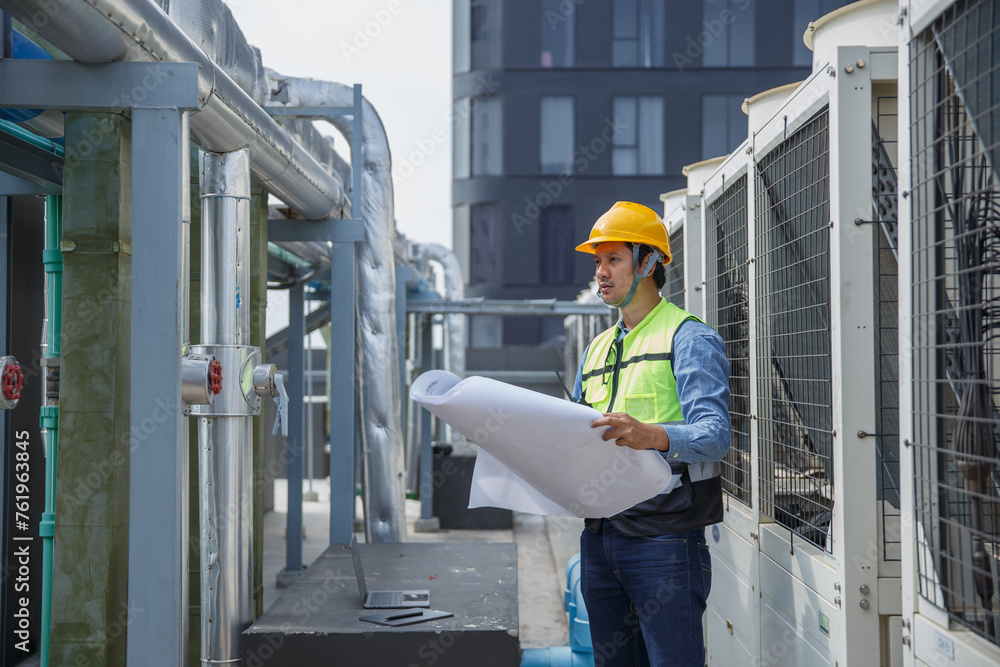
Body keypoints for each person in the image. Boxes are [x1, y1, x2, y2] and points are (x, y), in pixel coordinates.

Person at [571, 201, 731, 667]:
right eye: (598, 261)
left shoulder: (689, 338)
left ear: (648, 262)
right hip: (600, 539)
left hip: (665, 540)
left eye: (613, 259)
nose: (601, 272)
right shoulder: (597, 347)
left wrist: (653, 435)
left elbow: (715, 435)